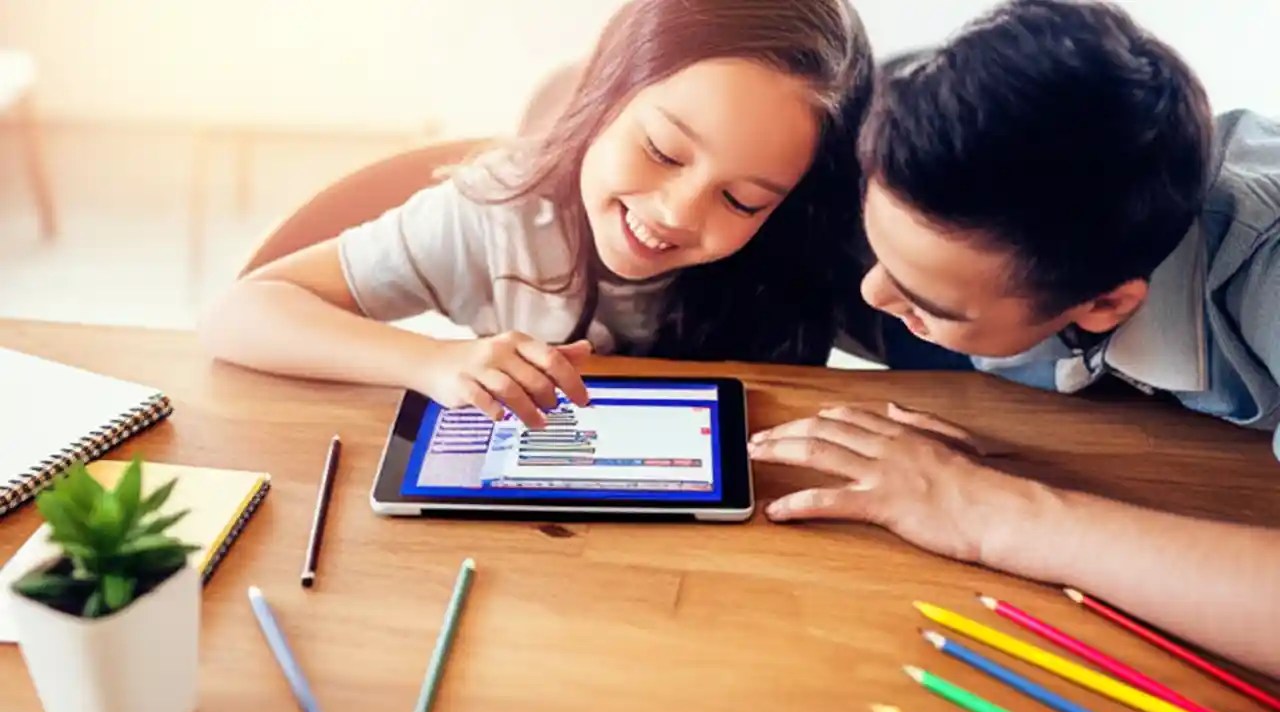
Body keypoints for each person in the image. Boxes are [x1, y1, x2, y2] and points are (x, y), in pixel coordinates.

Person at [752, 0, 1280, 677]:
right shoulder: (927, 148)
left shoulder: (1264, 279)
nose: (872, 294)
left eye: (928, 301)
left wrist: (982, 508)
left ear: (1104, 304)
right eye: (879, 248)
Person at [198, 0, 876, 430]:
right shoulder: (496, 217)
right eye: (663, 151)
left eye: (742, 200)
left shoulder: (802, 244)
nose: (675, 212)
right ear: (605, 93)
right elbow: (240, 312)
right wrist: (431, 362)